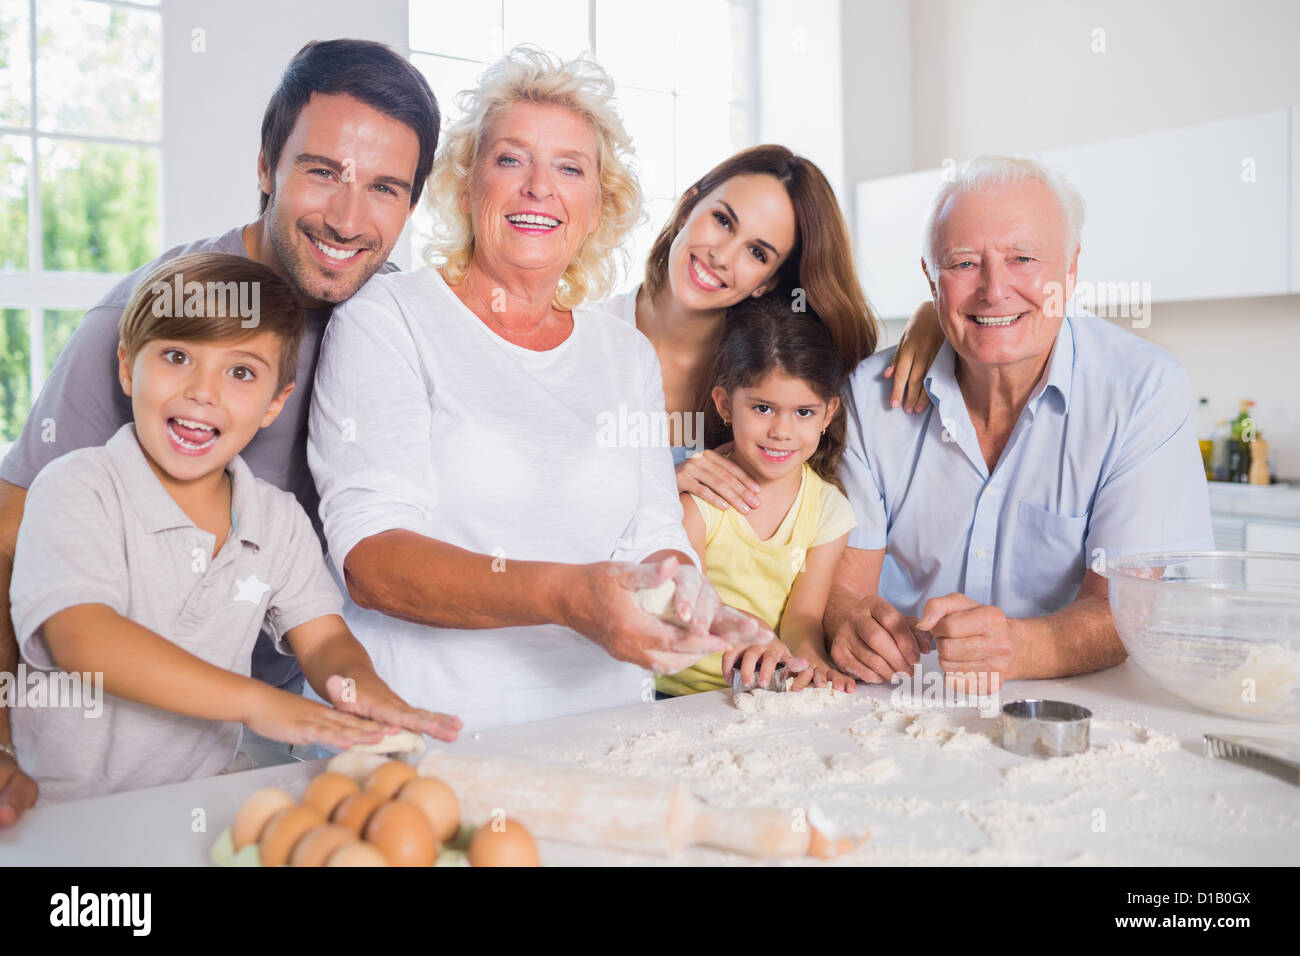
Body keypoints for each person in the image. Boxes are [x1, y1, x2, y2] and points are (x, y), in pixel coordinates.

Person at [0, 38, 439, 824]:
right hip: (84, 759)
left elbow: (322, 627)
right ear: (267, 168)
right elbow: (13, 535)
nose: (347, 216)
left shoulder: (399, 327)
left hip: (232, 741)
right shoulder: (149, 315)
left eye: (384, 188)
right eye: (322, 171)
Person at [307, 46, 768, 732]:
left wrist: (688, 593)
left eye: (570, 168)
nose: (538, 187)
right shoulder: (388, 318)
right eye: (510, 159)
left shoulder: (624, 354)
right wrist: (565, 595)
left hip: (607, 734)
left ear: (598, 206)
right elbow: (372, 561)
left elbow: (654, 532)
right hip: (430, 739)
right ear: (468, 186)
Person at [8, 254, 460, 802]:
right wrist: (259, 703)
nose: (204, 391)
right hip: (61, 810)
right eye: (177, 357)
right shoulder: (77, 488)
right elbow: (83, 639)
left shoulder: (278, 520)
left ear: (275, 403)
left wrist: (363, 693)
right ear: (128, 367)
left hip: (201, 797)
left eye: (241, 372)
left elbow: (324, 643)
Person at [825, 156, 1214, 691]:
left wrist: (1021, 647)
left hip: (1083, 711)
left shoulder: (1141, 392)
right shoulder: (870, 398)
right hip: (898, 701)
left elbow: (1131, 610)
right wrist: (850, 625)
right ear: (930, 279)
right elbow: (845, 590)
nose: (994, 289)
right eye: (963, 263)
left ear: (1071, 269)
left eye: (1023, 258)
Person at [596, 145, 947, 517]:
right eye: (723, 221)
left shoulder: (771, 363)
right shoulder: (586, 337)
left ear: (768, 281)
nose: (723, 256)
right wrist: (665, 484)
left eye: (757, 253)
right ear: (688, 206)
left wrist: (932, 318)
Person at [655, 297, 859, 697]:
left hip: (759, 695)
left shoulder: (828, 510)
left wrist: (810, 664)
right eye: (763, 408)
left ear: (828, 413)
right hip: (675, 695)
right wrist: (748, 628)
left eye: (803, 412)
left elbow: (803, 619)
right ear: (726, 405)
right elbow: (683, 597)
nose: (782, 431)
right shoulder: (701, 495)